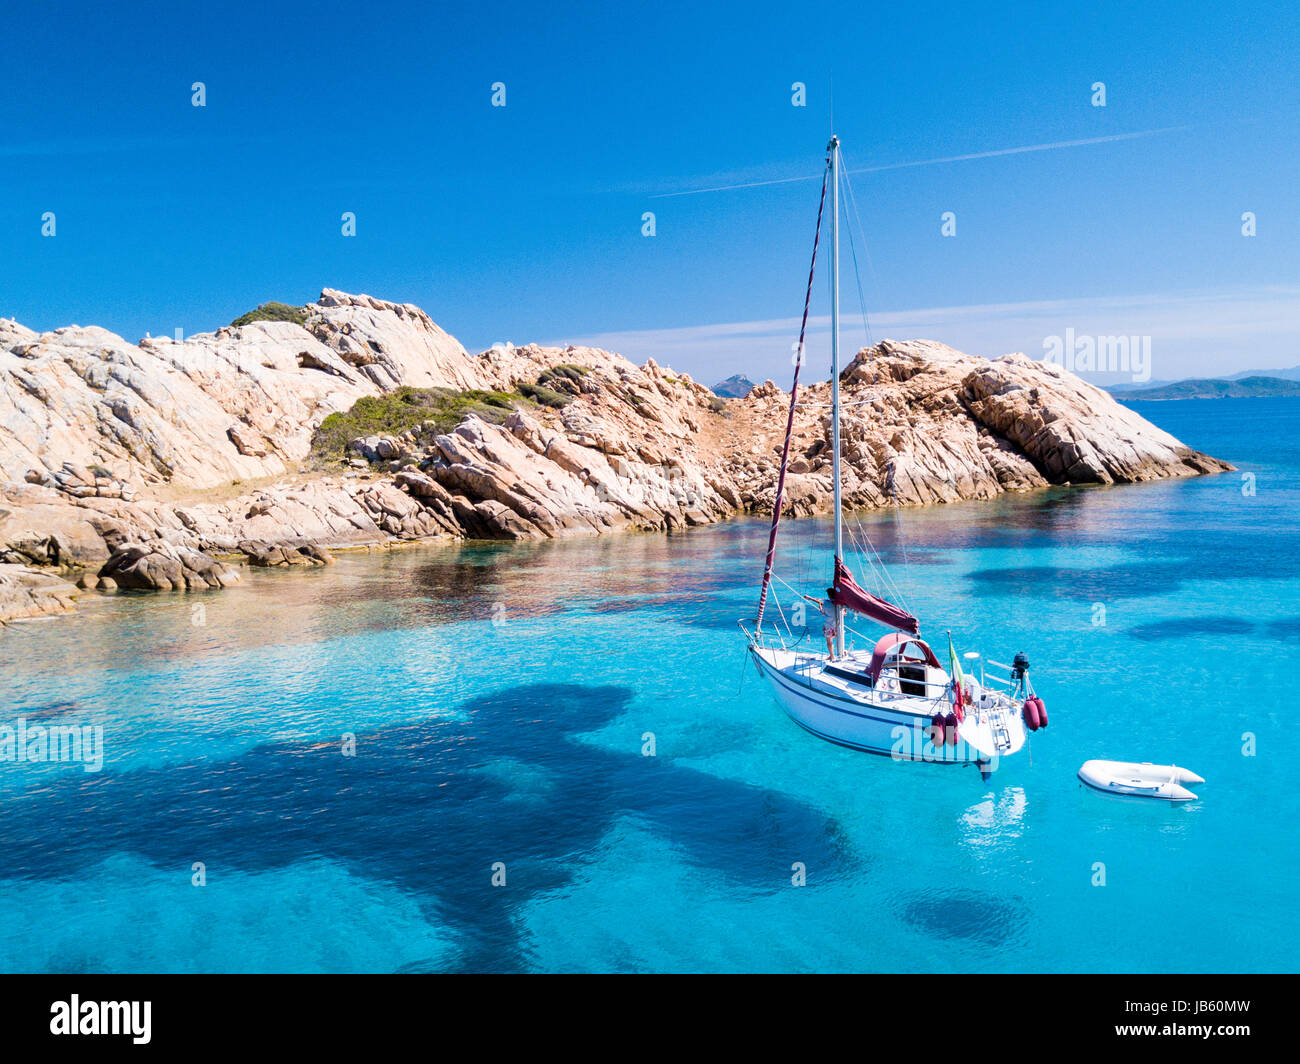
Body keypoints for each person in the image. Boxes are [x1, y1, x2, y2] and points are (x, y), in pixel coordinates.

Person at [803, 589, 838, 659]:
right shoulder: (839, 603)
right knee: (838, 639)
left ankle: (832, 656)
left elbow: (823, 612)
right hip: (838, 625)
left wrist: (820, 606)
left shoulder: (826, 603)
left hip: (828, 625)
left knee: (829, 641)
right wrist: (811, 598)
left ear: (829, 595)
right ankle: (841, 653)